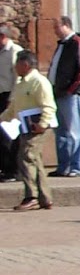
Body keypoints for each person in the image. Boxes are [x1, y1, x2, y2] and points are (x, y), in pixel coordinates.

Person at [3, 50, 56, 212]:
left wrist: (42, 124)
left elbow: (49, 106)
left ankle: (31, 197)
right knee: (35, 160)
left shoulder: (39, 82)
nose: (14, 67)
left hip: (38, 127)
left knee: (26, 157)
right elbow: (13, 107)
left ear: (25, 65)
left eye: (17, 64)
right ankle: (45, 198)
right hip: (25, 126)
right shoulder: (21, 83)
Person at [47, 15, 80, 177]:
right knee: (61, 131)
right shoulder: (62, 45)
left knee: (75, 131)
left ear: (66, 25)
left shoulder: (77, 43)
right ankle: (63, 166)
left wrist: (72, 90)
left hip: (70, 94)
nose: (55, 31)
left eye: (57, 27)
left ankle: (76, 167)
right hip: (57, 92)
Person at [0, 23, 20, 181]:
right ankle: (3, 167)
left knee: (7, 134)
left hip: (8, 97)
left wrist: (11, 100)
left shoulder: (15, 52)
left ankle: (11, 169)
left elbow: (17, 79)